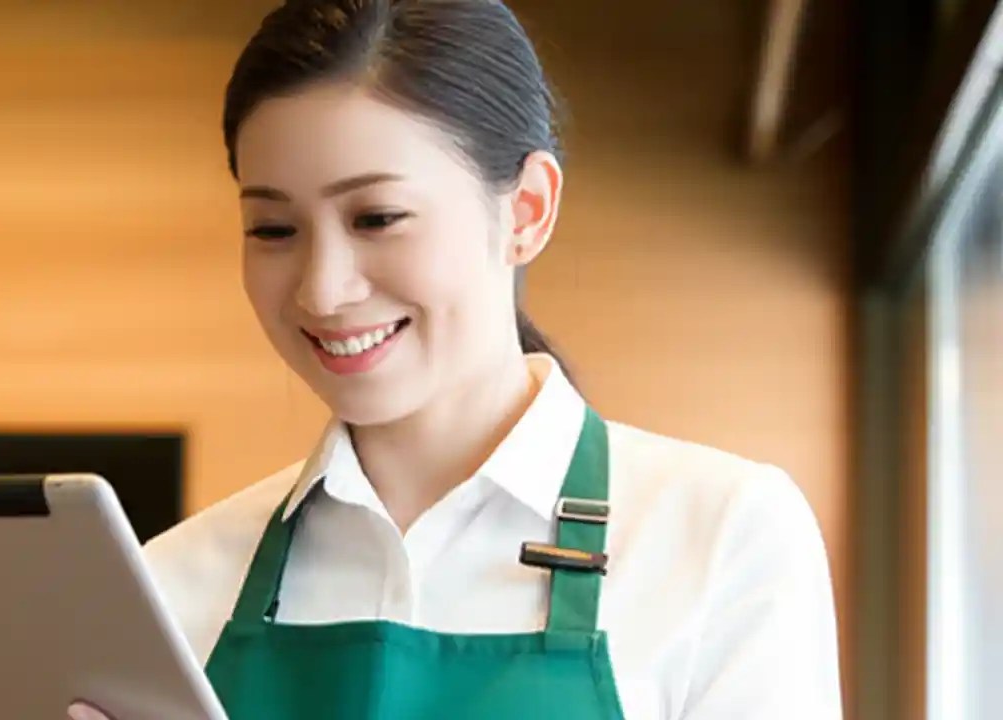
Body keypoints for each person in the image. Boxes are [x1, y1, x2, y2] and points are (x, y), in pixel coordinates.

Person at [70, 0, 843, 718]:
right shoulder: (171, 583)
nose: (322, 289)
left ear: (527, 211)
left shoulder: (720, 535)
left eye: (377, 218)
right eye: (274, 229)